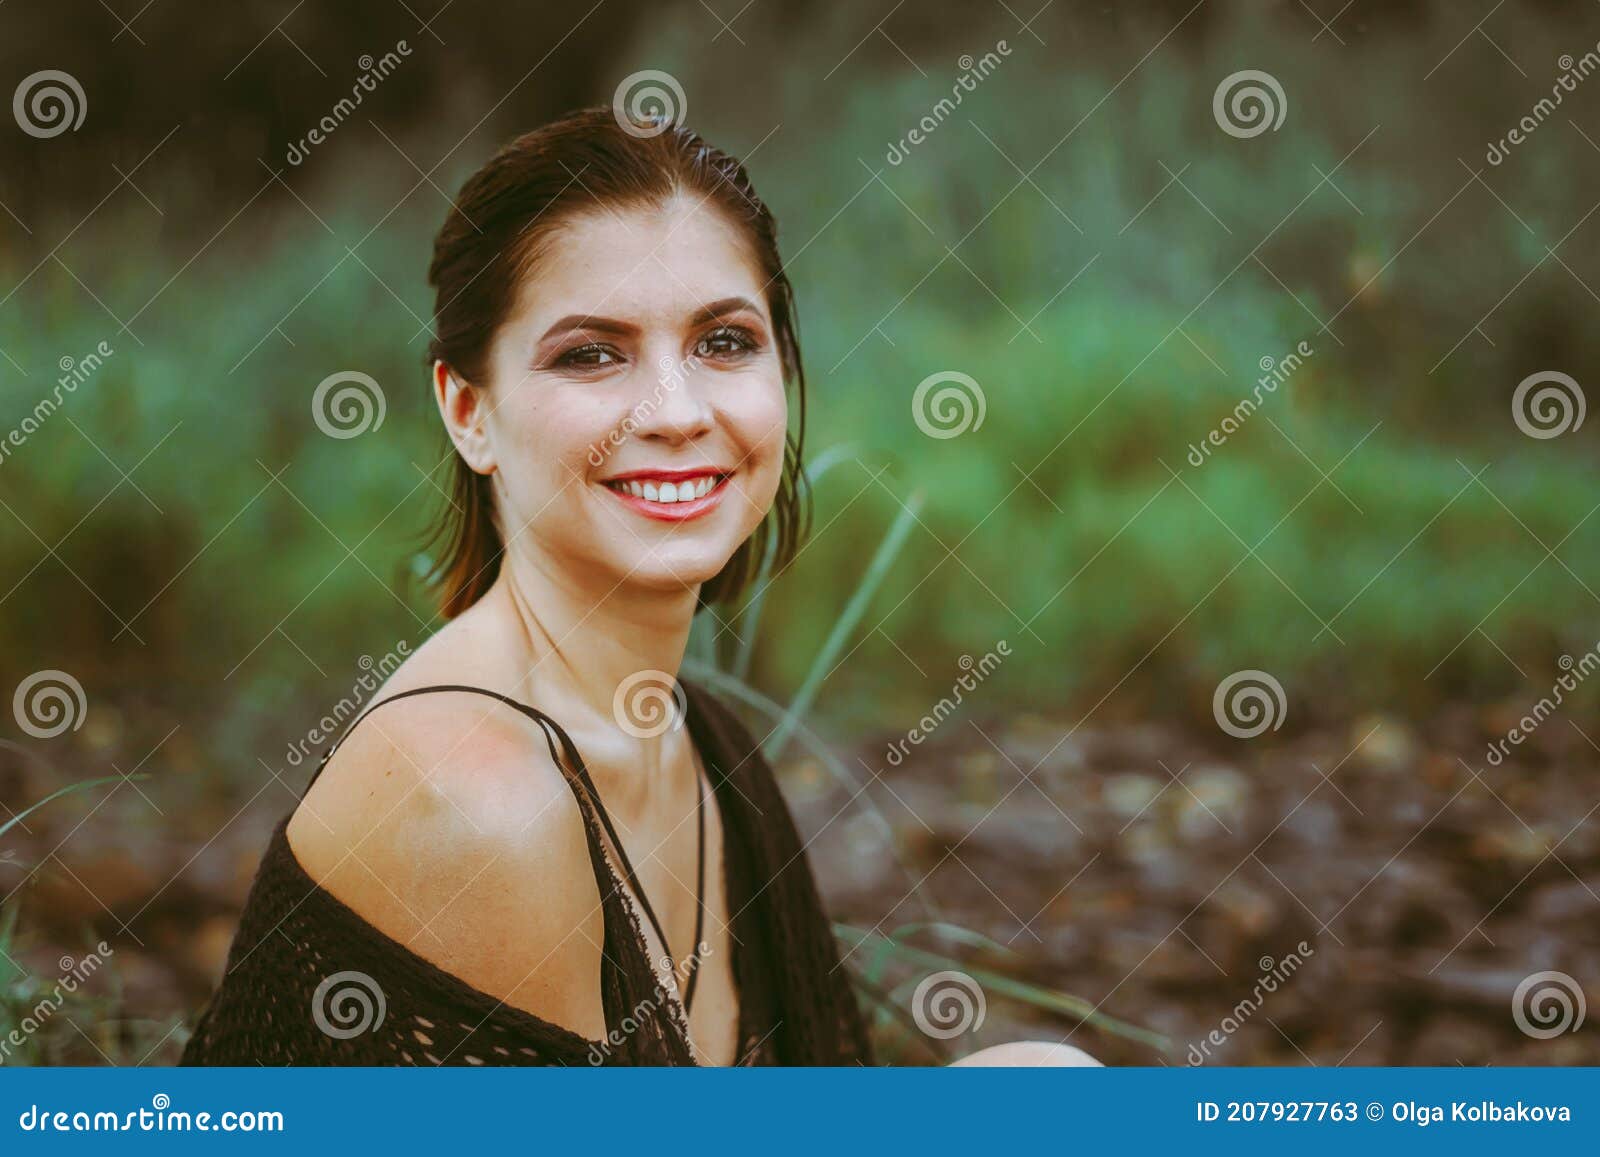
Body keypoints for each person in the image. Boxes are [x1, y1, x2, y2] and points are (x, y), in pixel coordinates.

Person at [181, 106, 1096, 1068]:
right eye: (591, 353)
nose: (677, 412)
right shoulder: (484, 801)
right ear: (468, 411)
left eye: (725, 342)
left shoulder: (703, 744)